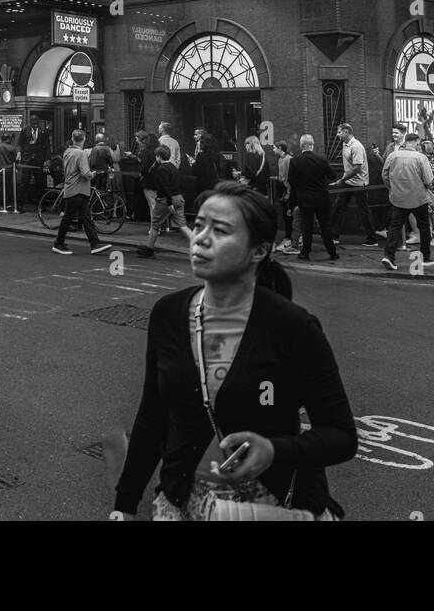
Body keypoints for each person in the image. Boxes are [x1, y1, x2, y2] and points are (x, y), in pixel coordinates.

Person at [112, 180, 357, 521]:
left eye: (221, 230)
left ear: (258, 250)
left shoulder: (293, 327)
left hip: (266, 506)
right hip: (180, 504)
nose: (201, 238)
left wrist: (274, 450)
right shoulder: (167, 313)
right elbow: (152, 417)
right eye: (198, 226)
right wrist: (124, 503)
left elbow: (342, 436)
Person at [381, 130, 434, 272]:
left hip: (398, 198)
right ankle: (426, 257)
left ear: (405, 142)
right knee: (424, 227)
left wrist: (392, 188)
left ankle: (389, 255)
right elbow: (429, 180)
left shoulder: (393, 155)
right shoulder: (420, 157)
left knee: (395, 227)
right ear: (416, 142)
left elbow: (384, 175)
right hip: (418, 198)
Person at [52, 131, 111, 257]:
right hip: (79, 189)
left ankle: (94, 244)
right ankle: (58, 243)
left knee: (85, 217)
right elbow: (86, 173)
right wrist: (93, 174)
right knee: (69, 217)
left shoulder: (67, 152)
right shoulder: (80, 153)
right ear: (83, 139)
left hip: (71, 188)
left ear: (72, 139)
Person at [287, 135, 339, 263]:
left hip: (305, 200)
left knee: (307, 227)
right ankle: (332, 252)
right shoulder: (322, 159)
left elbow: (292, 183)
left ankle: (305, 253)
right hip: (322, 198)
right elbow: (333, 176)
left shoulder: (295, 161)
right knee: (325, 226)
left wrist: (291, 204)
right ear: (312, 144)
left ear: (301, 145)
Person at [331, 123, 378, 246]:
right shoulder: (345, 144)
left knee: (364, 211)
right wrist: (344, 180)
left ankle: (372, 239)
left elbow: (357, 168)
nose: (337, 134)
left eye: (339, 132)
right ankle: (333, 237)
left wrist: (341, 180)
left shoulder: (356, 146)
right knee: (338, 208)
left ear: (346, 132)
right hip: (348, 182)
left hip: (358, 184)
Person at [137, 145, 185, 259]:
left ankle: (149, 250)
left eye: (156, 156)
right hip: (179, 197)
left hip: (166, 200)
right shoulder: (173, 167)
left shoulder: (161, 169)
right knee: (183, 226)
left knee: (155, 225)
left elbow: (164, 187)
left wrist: (169, 203)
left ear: (158, 157)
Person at [17, 116, 50, 211]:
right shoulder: (25, 130)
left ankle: (40, 205)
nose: (35, 123)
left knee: (40, 183)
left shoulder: (43, 131)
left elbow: (47, 146)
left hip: (39, 160)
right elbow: (20, 143)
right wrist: (19, 153)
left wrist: (47, 159)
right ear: (30, 122)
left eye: (36, 121)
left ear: (38, 121)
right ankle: (20, 205)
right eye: (33, 121)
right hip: (27, 160)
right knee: (24, 182)